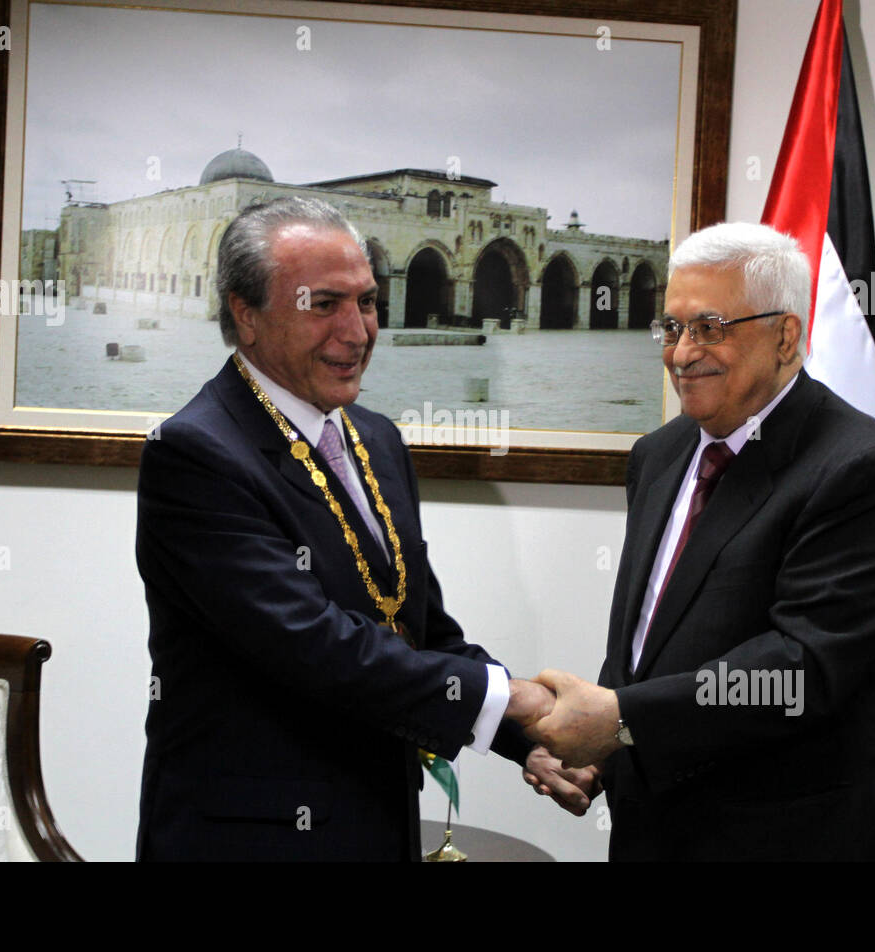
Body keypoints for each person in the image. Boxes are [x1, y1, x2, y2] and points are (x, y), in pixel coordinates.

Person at [135, 196, 586, 861]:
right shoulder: (195, 453)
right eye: (323, 304)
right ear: (246, 314)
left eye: (368, 301)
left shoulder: (376, 438)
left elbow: (421, 629)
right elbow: (318, 648)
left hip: (377, 824)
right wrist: (513, 698)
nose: (359, 331)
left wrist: (532, 742)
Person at [523, 222, 875, 861]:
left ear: (786, 337)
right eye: (674, 328)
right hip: (655, 832)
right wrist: (600, 749)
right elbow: (651, 640)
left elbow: (802, 667)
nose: (682, 353)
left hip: (791, 842)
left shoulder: (859, 468)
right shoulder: (659, 454)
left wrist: (622, 718)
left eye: (711, 327)